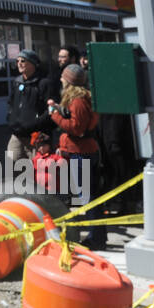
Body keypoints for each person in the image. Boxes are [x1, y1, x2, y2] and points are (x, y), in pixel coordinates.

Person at [48, 63, 104, 248]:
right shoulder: (77, 99)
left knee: (88, 197)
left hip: (82, 154)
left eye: (64, 77)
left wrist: (55, 115)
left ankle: (96, 238)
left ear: (70, 81)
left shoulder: (78, 100)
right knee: (88, 196)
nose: (60, 79)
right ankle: (96, 236)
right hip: (80, 152)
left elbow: (76, 128)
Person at [6, 50, 53, 185]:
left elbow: (50, 111)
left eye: (23, 61)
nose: (19, 64)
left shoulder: (44, 83)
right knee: (12, 165)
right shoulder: (17, 82)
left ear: (33, 64)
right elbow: (10, 103)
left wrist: (39, 128)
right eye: (17, 61)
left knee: (38, 172)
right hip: (17, 134)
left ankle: (38, 201)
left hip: (36, 136)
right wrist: (10, 119)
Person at [31, 131, 70, 203]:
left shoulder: (53, 157)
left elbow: (63, 162)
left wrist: (58, 163)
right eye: (39, 146)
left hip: (54, 189)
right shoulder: (35, 159)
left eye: (44, 145)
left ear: (48, 146)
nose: (41, 148)